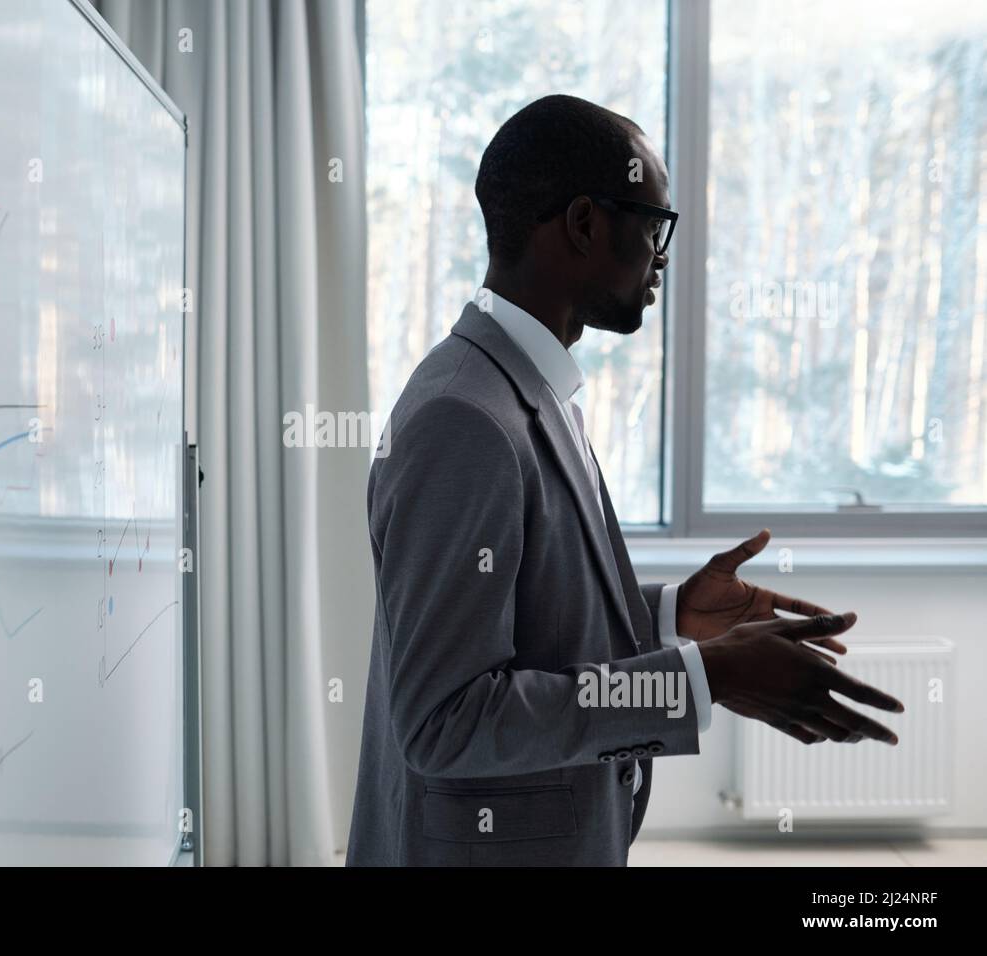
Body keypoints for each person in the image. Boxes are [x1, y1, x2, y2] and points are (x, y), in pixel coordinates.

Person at [346, 94, 904, 867]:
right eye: (653, 224)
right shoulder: (464, 418)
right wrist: (703, 677)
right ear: (582, 224)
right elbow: (447, 717)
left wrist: (672, 615)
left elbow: (524, 615)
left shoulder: (525, 388)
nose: (663, 255)